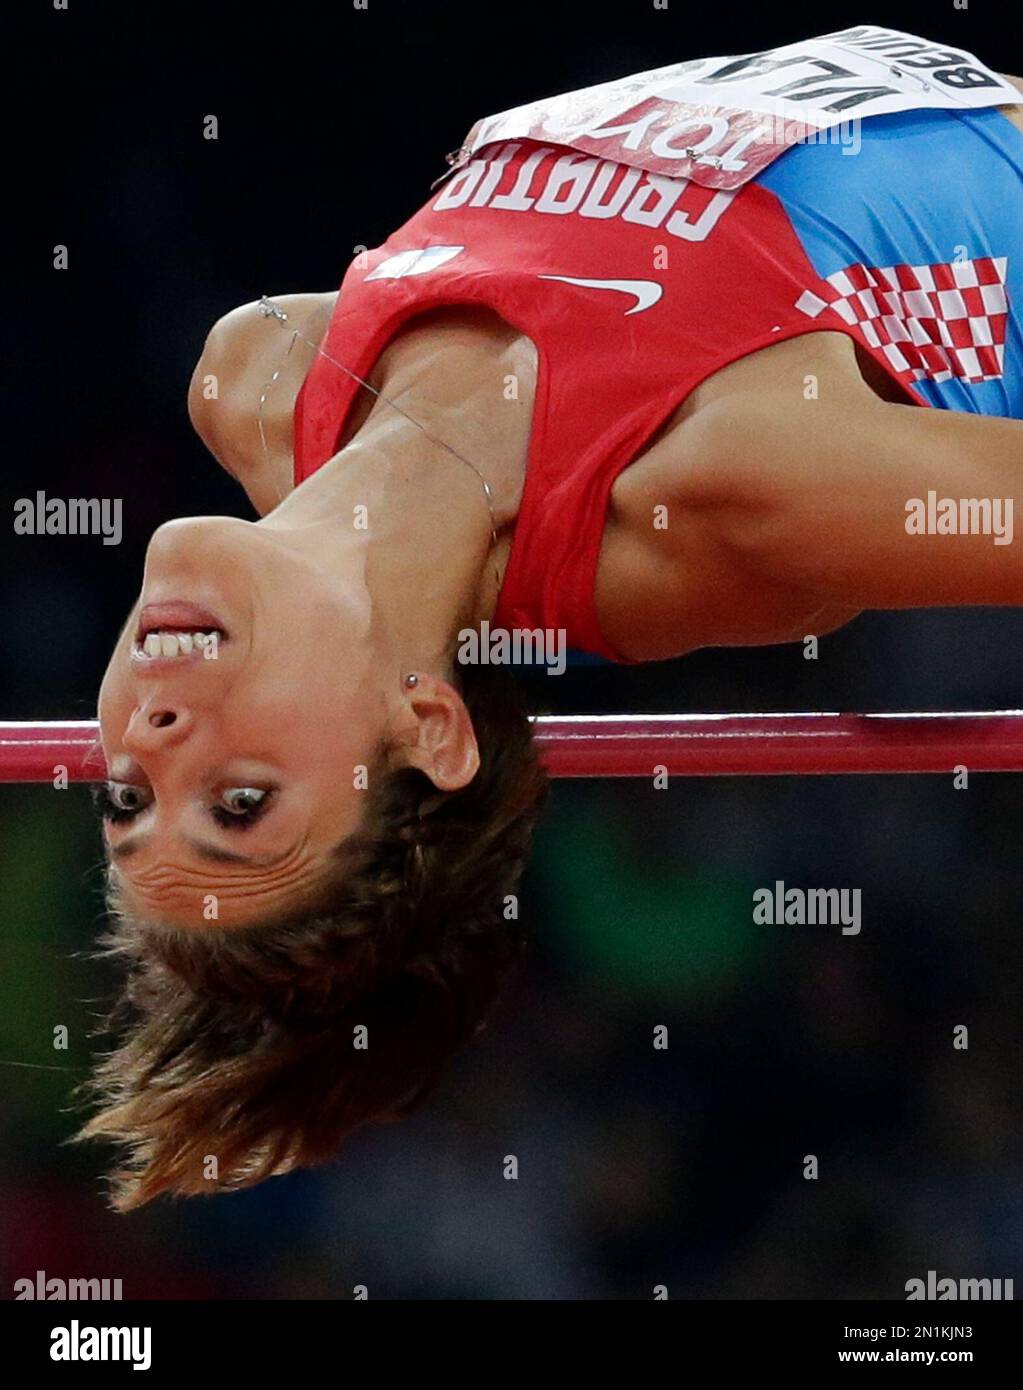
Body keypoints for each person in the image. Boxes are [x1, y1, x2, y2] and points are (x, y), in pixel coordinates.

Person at [82, 27, 1023, 1207]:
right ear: (426, 724)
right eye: (239, 802)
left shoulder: (263, 378)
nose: (154, 737)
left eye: (127, 799)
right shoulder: (707, 493)